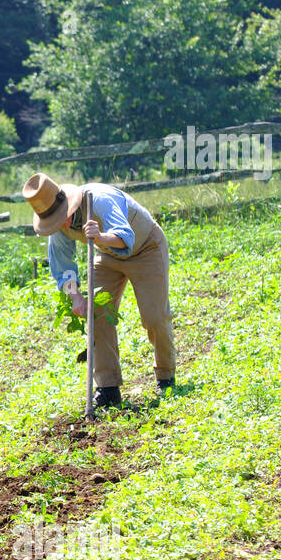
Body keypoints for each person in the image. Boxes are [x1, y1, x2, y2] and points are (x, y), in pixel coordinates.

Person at [23, 171, 176, 409]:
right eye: (52, 221)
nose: (59, 225)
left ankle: (166, 377)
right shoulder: (58, 228)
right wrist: (76, 297)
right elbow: (63, 266)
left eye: (60, 218)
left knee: (154, 316)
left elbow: (126, 236)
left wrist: (101, 236)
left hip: (145, 248)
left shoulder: (100, 200)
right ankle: (107, 388)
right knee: (98, 313)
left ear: (68, 204)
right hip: (106, 256)